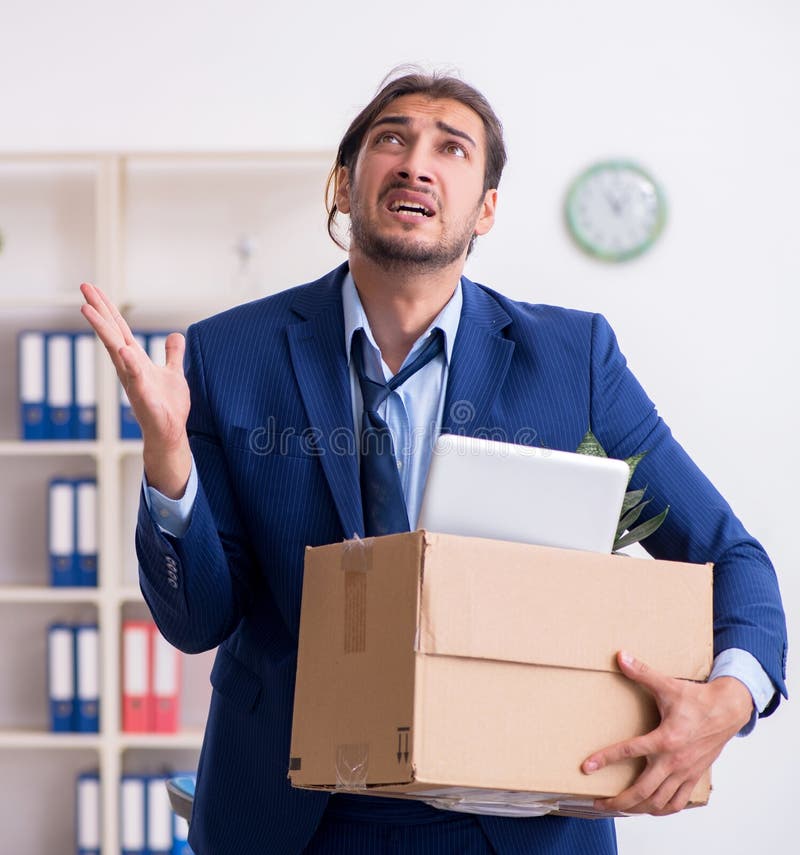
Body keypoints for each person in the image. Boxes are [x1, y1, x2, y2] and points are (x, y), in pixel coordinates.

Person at [81, 70, 787, 855]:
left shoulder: (573, 359)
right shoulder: (228, 354)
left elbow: (730, 555)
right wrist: (169, 461)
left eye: (451, 148)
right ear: (345, 187)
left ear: (486, 207)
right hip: (292, 813)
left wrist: (732, 695)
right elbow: (196, 619)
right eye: (393, 138)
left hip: (514, 817)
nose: (418, 162)